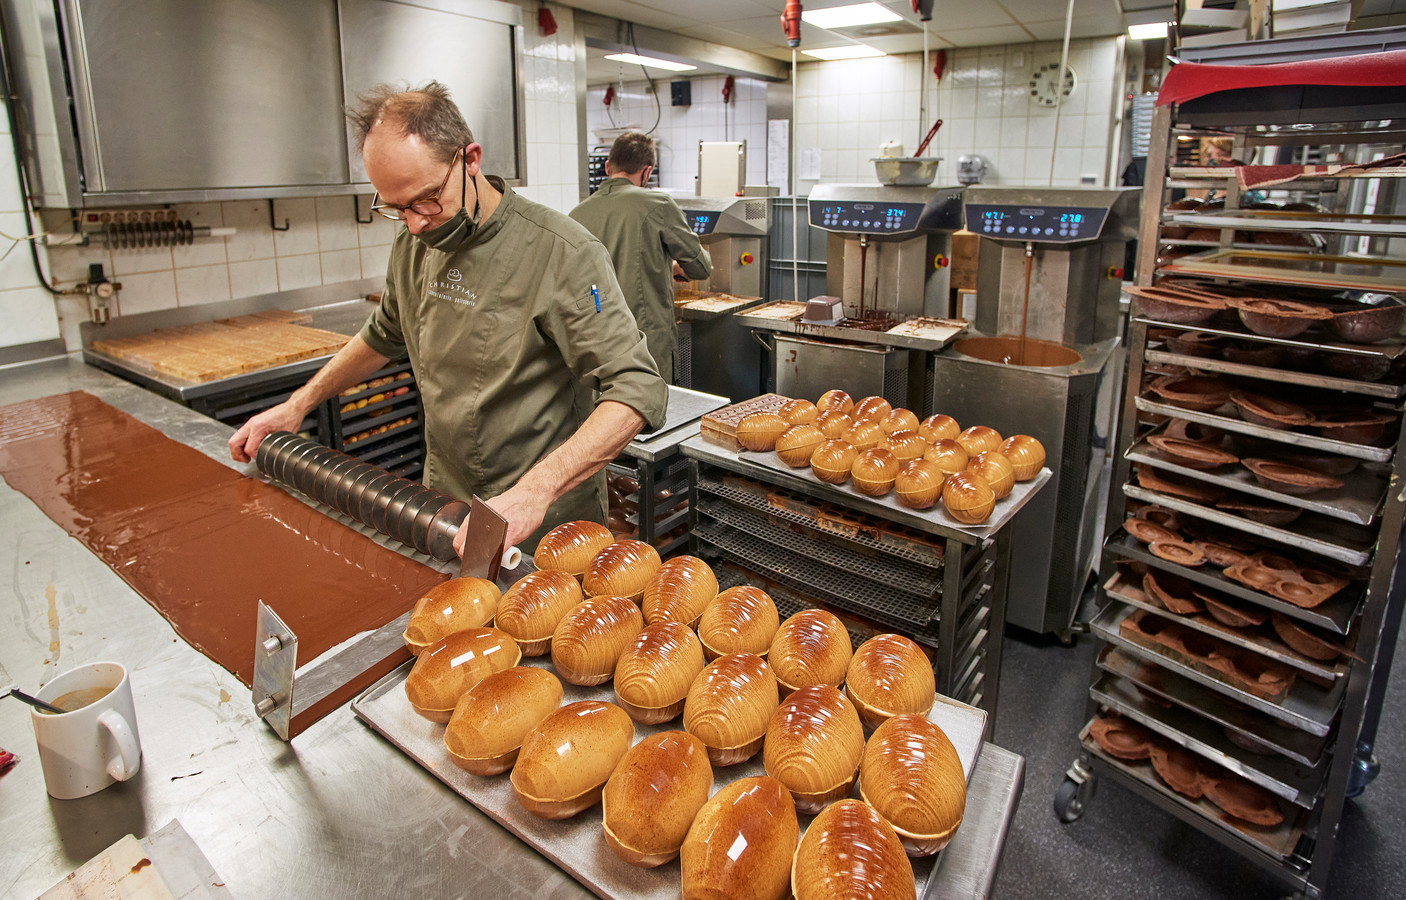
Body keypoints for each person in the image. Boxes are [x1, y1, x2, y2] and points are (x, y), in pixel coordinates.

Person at [229, 82, 667, 552]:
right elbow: (383, 333)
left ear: (470, 160)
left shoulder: (562, 251)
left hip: (547, 522)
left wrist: (534, 492)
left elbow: (636, 388)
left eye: (426, 198)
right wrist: (299, 404)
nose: (415, 222)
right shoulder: (415, 241)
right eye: (396, 208)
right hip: (444, 508)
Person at [569, 132, 712, 382]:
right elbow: (700, 268)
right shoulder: (658, 204)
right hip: (645, 345)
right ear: (646, 172)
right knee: (653, 404)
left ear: (607, 167)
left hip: (597, 344)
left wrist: (665, 266)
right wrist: (677, 267)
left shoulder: (576, 215)